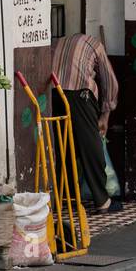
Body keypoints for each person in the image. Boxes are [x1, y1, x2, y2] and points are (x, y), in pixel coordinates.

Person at [50, 31, 122, 214]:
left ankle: (62, 196)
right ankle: (102, 201)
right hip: (79, 95)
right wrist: (105, 114)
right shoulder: (95, 45)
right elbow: (110, 81)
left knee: (63, 146)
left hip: (53, 94)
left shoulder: (58, 42)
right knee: (91, 147)